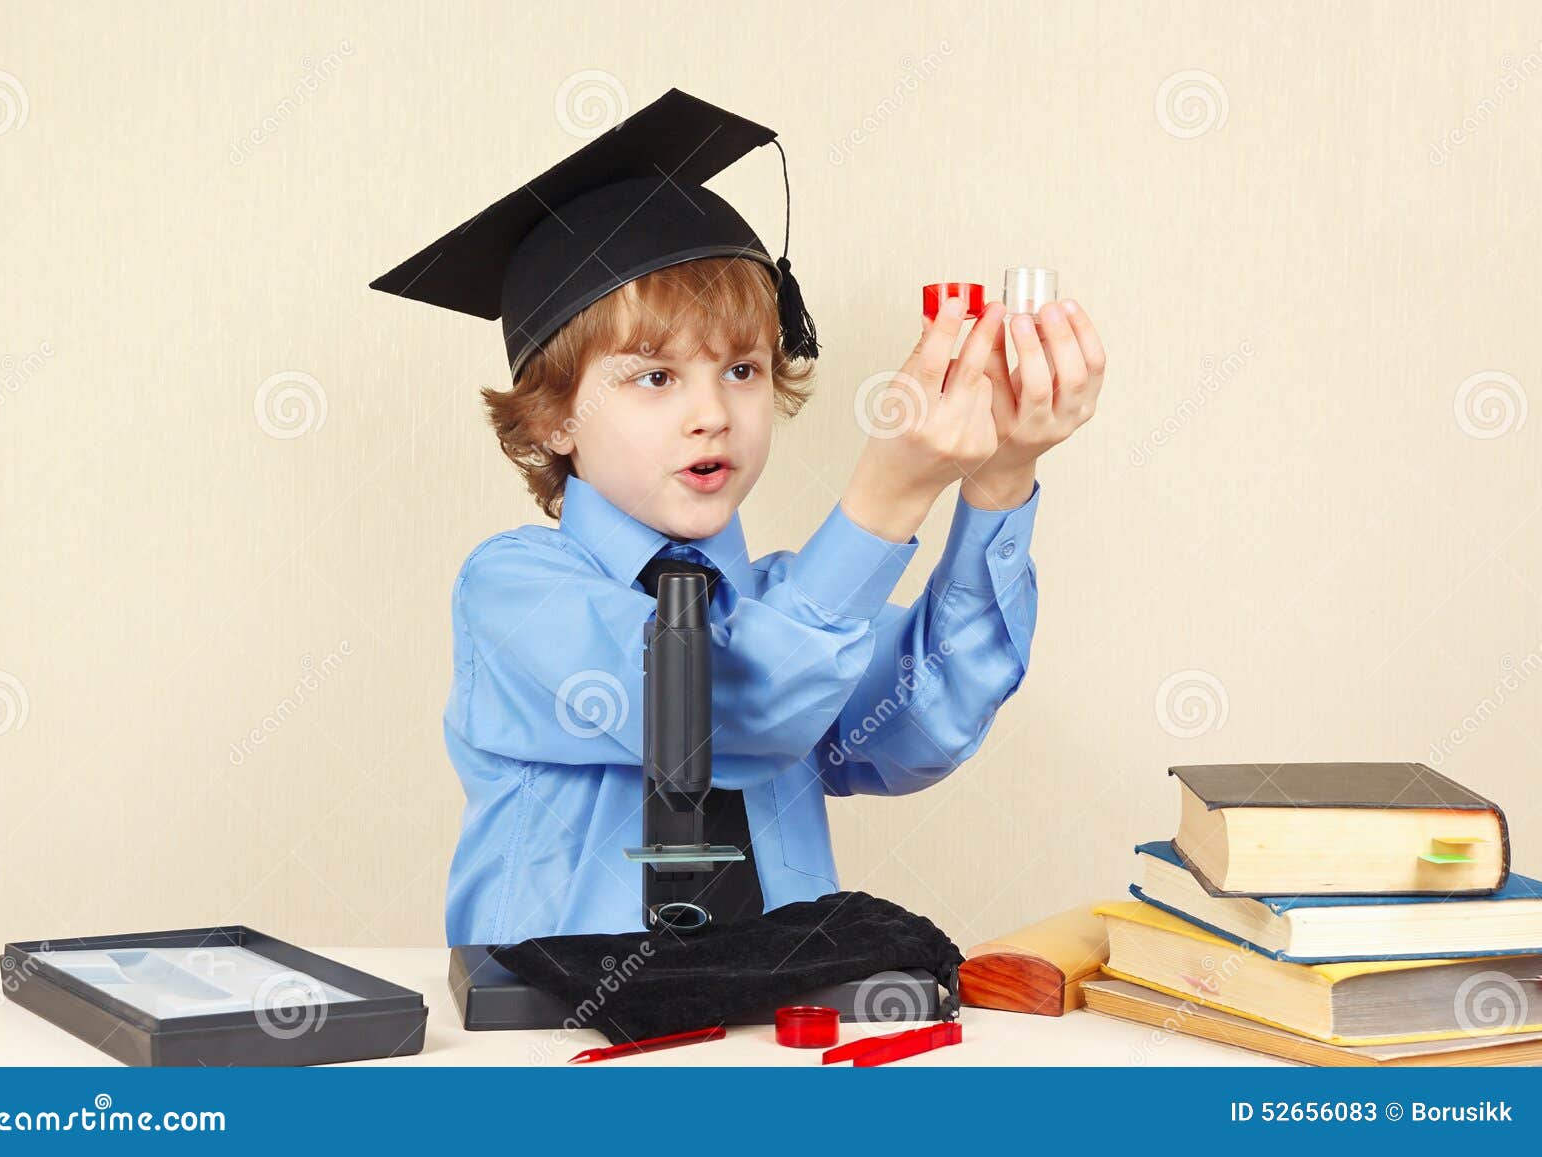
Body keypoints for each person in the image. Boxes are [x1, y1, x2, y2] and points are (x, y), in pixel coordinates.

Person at [371, 89, 1106, 947]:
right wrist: (885, 498)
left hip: (775, 1010)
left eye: (743, 370)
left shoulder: (788, 601)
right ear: (553, 418)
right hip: (563, 1017)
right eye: (655, 377)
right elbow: (724, 717)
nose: (712, 414)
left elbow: (925, 720)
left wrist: (1001, 478)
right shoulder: (514, 593)